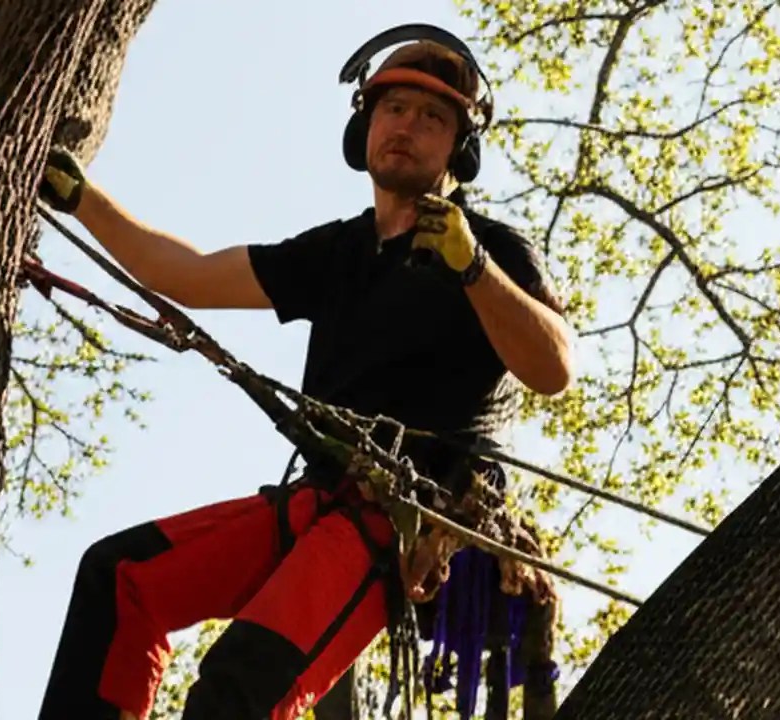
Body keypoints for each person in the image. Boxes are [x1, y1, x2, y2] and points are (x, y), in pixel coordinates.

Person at [34, 26, 573, 720]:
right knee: (120, 579)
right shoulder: (338, 253)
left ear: (460, 149)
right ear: (365, 127)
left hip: (404, 517)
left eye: (433, 117)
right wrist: (81, 198)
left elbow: (553, 366)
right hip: (318, 502)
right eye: (394, 109)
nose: (407, 126)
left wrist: (472, 268)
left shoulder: (492, 249)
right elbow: (188, 276)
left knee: (238, 691)